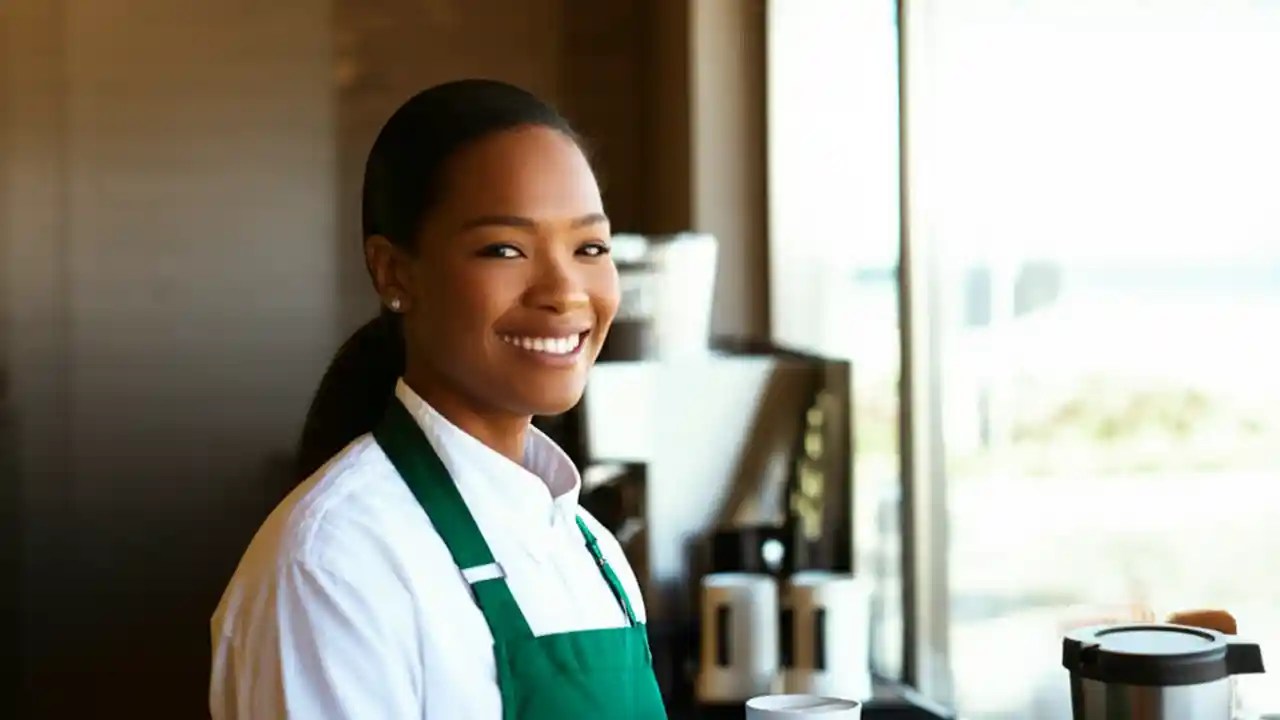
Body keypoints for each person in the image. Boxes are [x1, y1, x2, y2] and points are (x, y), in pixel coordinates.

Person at [210, 79, 667, 719]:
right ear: (395, 273)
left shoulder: (592, 550)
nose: (565, 292)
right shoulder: (334, 564)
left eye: (589, 247)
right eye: (504, 249)